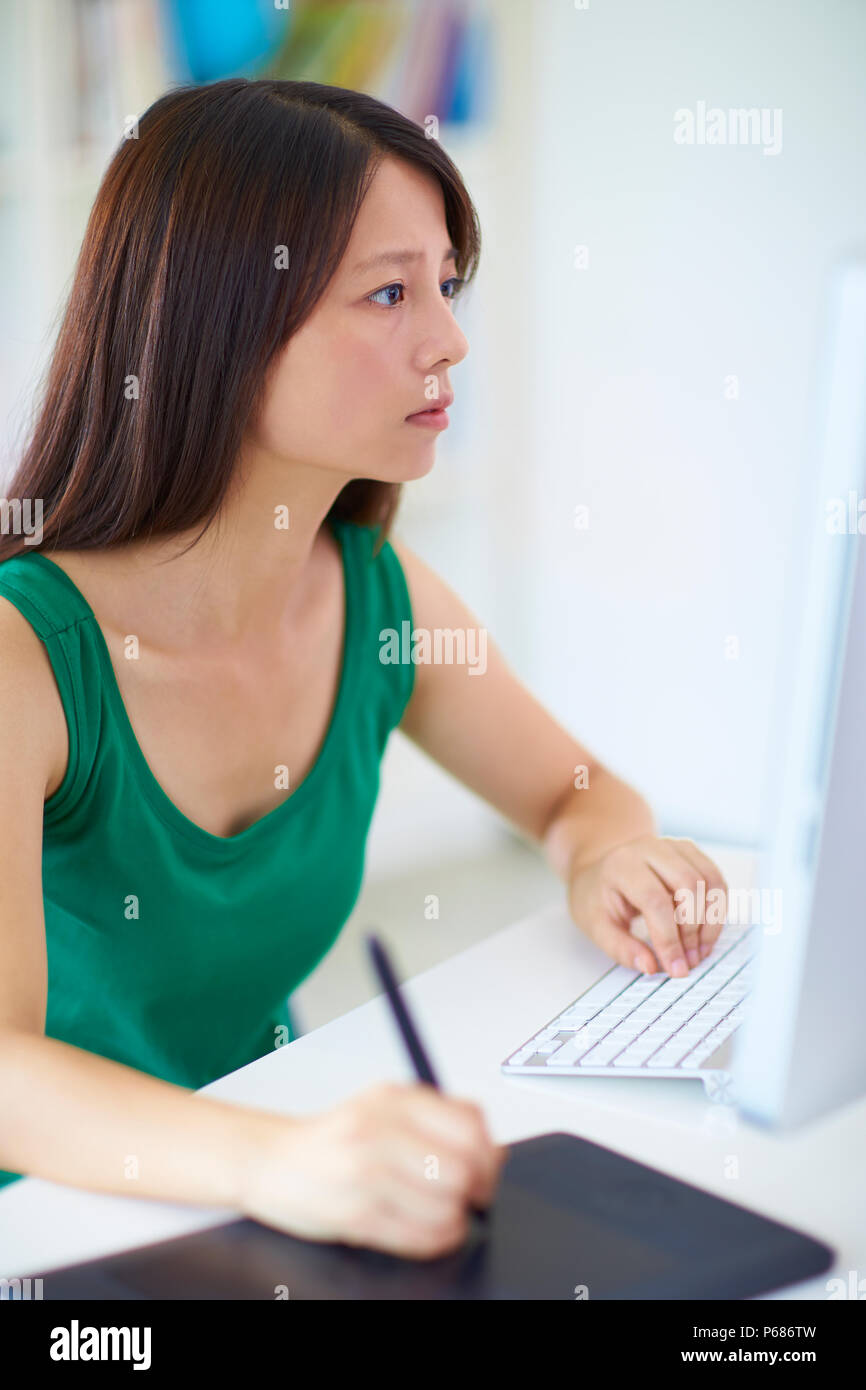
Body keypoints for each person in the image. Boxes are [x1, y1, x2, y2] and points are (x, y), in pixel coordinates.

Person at [0, 79, 727, 1259]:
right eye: (387, 292)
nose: (447, 339)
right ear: (212, 325)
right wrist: (281, 1160)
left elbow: (571, 795)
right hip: (60, 1225)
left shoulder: (377, 598)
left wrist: (611, 858)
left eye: (444, 284)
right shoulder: (22, 654)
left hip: (263, 1196)